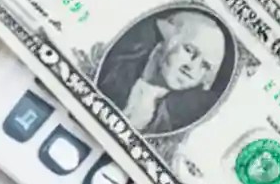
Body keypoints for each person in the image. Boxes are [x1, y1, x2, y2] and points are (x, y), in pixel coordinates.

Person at [98, 9, 231, 137]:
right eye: (189, 50)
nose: (192, 67)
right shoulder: (113, 68)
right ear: (168, 41)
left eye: (205, 65)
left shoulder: (173, 121)